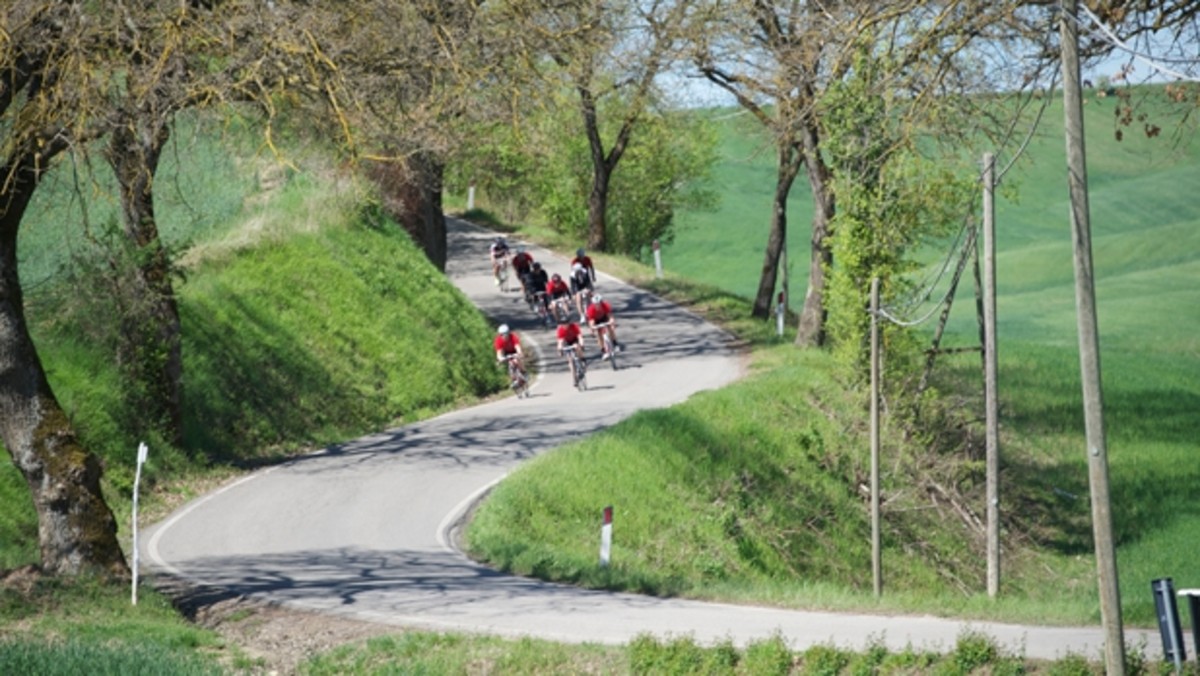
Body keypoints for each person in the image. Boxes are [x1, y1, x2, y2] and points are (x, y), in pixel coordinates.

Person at [585, 293, 621, 358]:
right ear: (593, 304)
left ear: (601, 302)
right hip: (596, 320)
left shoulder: (605, 305)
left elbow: (610, 316)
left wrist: (612, 322)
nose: (597, 305)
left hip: (604, 317)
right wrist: (592, 330)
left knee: (611, 328)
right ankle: (603, 350)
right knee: (599, 334)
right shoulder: (591, 309)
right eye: (596, 304)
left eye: (599, 304)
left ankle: (615, 344)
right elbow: (591, 322)